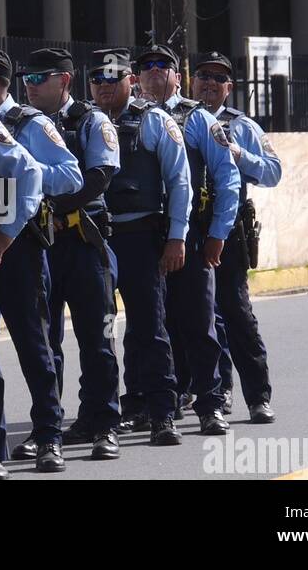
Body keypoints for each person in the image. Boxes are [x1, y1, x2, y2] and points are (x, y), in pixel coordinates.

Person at [0, 46, 83, 472]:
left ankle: (48, 435)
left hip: (18, 246)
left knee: (34, 343)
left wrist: (24, 168)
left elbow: (71, 175)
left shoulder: (31, 124)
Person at [19, 48, 122, 460]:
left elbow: (99, 176)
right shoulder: (23, 124)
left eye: (38, 77)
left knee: (96, 337)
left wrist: (57, 210)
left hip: (82, 241)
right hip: (40, 243)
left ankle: (104, 424)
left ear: (63, 80)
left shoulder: (90, 119)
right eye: (25, 76)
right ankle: (48, 428)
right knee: (45, 342)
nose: (28, 83)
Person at [135, 43, 239, 436]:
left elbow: (227, 176)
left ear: (178, 76)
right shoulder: (131, 117)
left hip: (191, 236)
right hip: (145, 236)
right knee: (147, 326)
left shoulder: (197, 119)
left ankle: (210, 403)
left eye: (163, 65)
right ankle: (151, 402)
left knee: (198, 321)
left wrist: (217, 235)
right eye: (147, 66)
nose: (155, 72)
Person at [91, 47, 192, 445]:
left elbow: (180, 181)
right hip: (96, 241)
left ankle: (162, 412)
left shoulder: (153, 121)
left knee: (149, 327)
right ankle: (111, 411)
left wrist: (176, 237)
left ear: (130, 80)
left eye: (113, 78)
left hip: (141, 239)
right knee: (99, 331)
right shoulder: (86, 122)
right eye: (98, 79)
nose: (104, 87)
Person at [192, 51, 280, 424]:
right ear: (191, 80)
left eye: (219, 77)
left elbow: (274, 172)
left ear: (229, 87)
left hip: (228, 231)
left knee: (236, 312)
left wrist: (241, 154)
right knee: (199, 316)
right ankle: (216, 390)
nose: (210, 83)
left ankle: (257, 396)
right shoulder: (177, 118)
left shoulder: (242, 126)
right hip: (188, 228)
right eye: (203, 75)